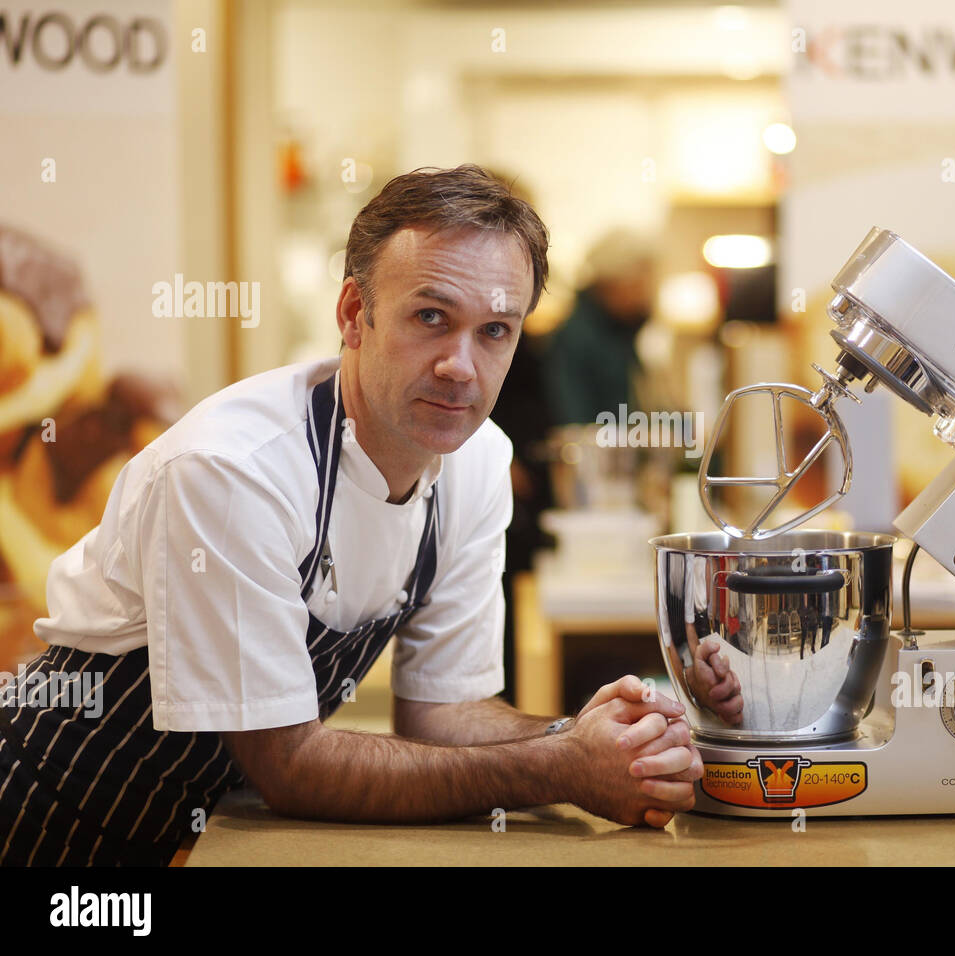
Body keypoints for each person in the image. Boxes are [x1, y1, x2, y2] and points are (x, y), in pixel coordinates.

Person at [0, 165, 700, 866]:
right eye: (431, 317)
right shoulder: (232, 471)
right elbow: (290, 764)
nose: (461, 364)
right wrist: (561, 767)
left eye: (495, 331)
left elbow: (445, 716)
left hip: (210, 834)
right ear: (352, 314)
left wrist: (606, 741)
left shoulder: (478, 462)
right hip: (47, 817)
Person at [541, 229, 657, 425]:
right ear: (611, 282)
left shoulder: (623, 329)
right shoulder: (576, 336)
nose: (645, 292)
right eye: (638, 283)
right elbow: (574, 421)